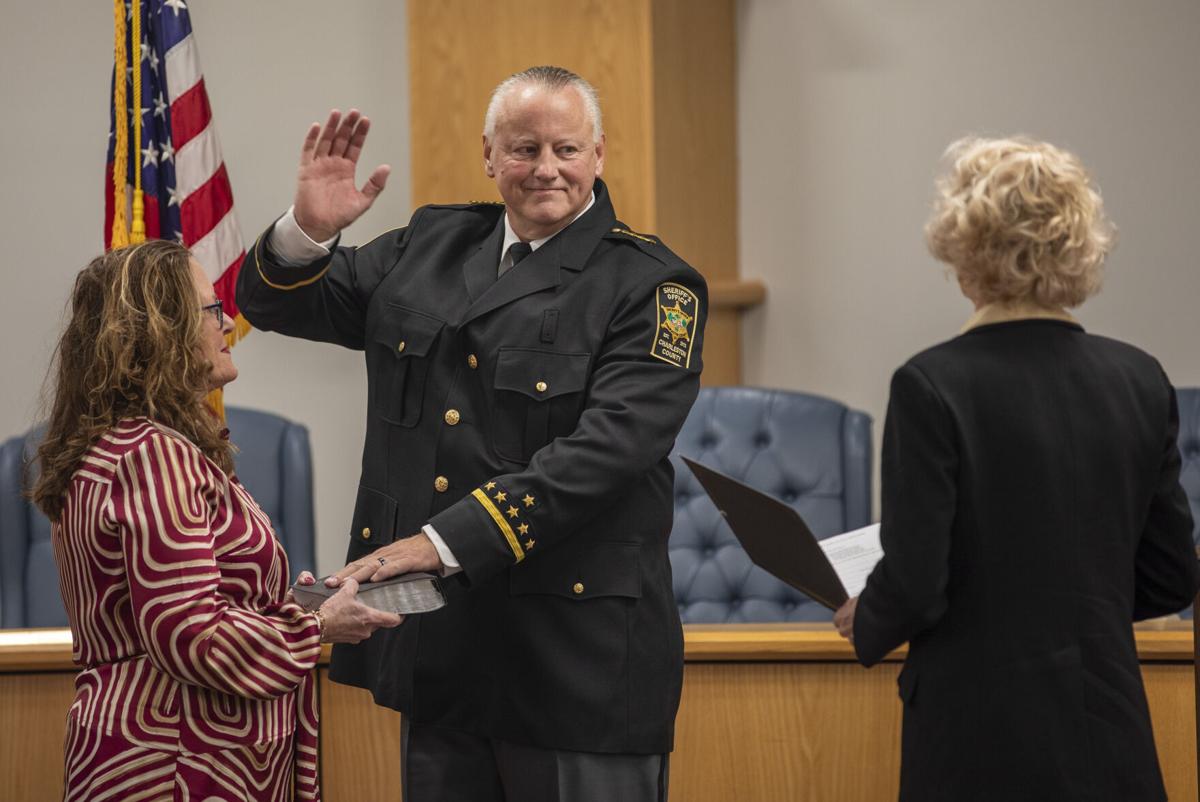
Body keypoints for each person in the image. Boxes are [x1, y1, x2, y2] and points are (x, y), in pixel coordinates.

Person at [236, 65, 706, 801]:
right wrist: (311, 233)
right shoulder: (431, 243)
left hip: (572, 663)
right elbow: (276, 305)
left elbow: (609, 450)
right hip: (441, 651)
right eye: (524, 149)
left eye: (566, 149)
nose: (546, 168)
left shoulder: (652, 285)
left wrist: (442, 542)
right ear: (489, 155)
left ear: (599, 155)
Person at [833, 137, 1199, 801]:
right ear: (1079, 247)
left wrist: (869, 617)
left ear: (962, 249)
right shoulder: (1140, 379)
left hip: (978, 735)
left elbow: (916, 585)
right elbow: (1174, 575)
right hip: (1109, 732)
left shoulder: (931, 384)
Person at [32, 240, 402, 802]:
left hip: (156, 745)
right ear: (160, 329)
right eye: (210, 309)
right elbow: (192, 634)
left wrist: (283, 608)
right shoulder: (152, 455)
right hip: (178, 759)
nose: (228, 321)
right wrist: (318, 627)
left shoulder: (116, 446)